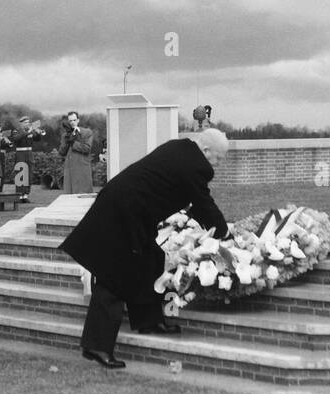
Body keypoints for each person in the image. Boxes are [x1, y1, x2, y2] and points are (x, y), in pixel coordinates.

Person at [60, 127, 231, 371]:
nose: (220, 163)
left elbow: (186, 196)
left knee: (151, 258)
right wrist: (224, 233)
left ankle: (149, 321)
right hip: (121, 214)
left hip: (127, 209)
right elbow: (204, 203)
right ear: (206, 150)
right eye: (219, 157)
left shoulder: (180, 148)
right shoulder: (196, 165)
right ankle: (97, 346)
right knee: (113, 278)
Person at [59, 112, 95, 195]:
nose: (72, 122)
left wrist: (73, 142)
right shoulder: (65, 135)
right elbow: (62, 152)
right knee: (70, 196)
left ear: (78, 120)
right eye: (70, 121)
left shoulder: (87, 132)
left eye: (74, 120)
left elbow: (87, 149)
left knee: (84, 194)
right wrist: (67, 141)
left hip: (82, 166)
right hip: (70, 168)